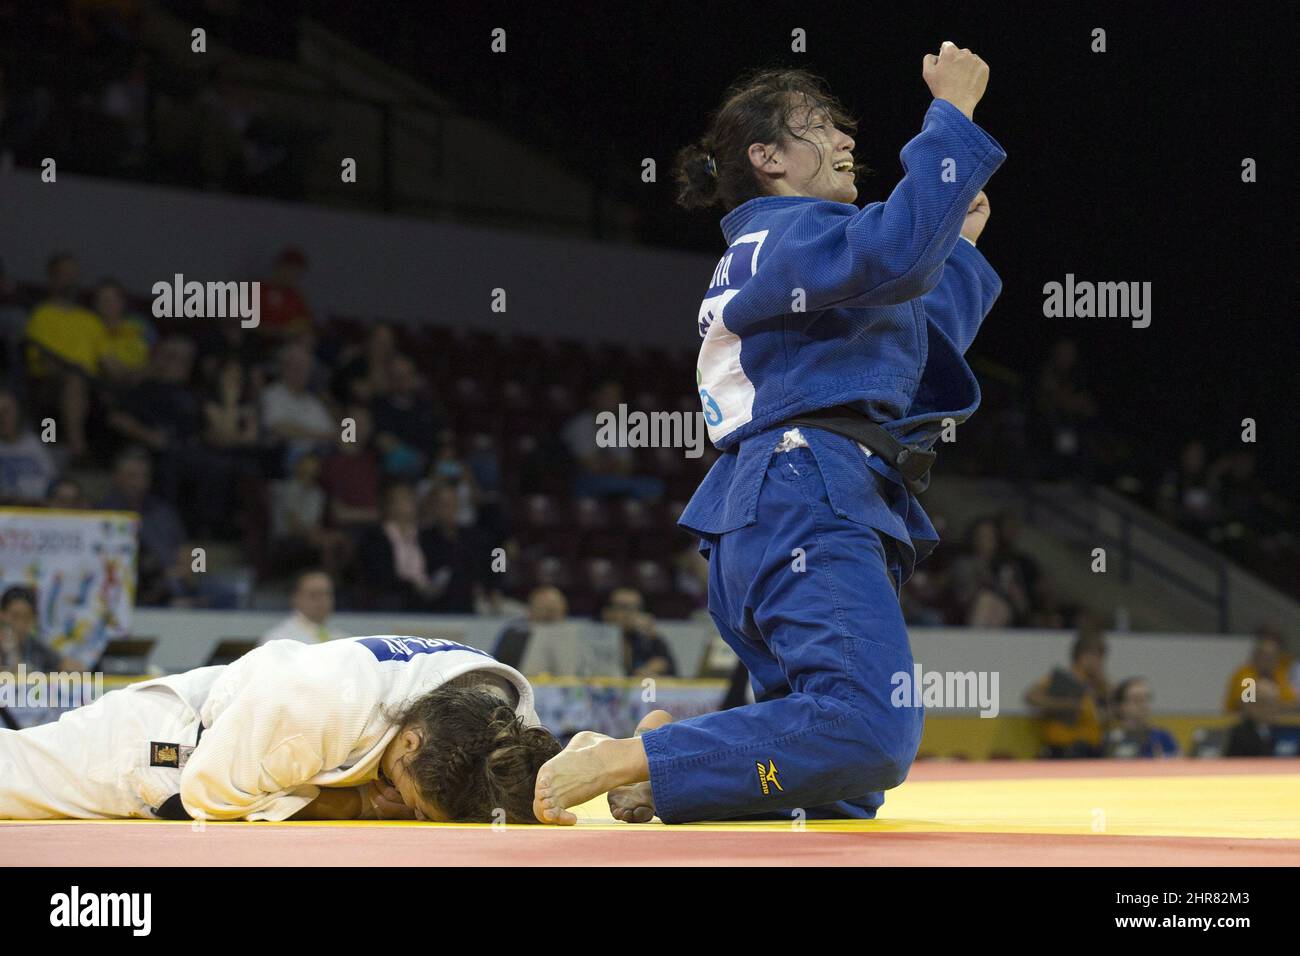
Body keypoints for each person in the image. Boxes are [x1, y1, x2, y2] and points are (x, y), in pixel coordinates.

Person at [532, 45, 1004, 824]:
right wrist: (951, 118)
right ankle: (627, 756)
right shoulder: (784, 237)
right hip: (804, 492)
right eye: (820, 128)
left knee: (840, 782)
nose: (848, 141)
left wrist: (958, 249)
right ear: (768, 158)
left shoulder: (794, 255)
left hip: (781, 500)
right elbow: (897, 254)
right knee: (865, 726)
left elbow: (905, 351)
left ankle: (660, 770)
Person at [0, 635, 559, 821]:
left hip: (249, 716)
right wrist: (358, 803)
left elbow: (524, 769)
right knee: (14, 776)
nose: (409, 811)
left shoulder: (492, 699)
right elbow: (204, 795)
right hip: (162, 746)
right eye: (413, 799)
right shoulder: (312, 710)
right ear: (409, 739)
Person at [1024, 630, 1111, 758]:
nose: (1097, 661)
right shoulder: (1065, 679)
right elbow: (1030, 697)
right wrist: (1065, 704)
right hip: (1063, 750)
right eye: (1092, 655)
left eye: (1100, 656)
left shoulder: (1100, 684)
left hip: (1093, 750)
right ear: (1079, 656)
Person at [602, 588, 678, 677]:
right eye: (623, 607)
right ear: (607, 612)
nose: (630, 614)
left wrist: (652, 636)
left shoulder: (645, 639)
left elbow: (670, 670)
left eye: (636, 608)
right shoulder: (595, 640)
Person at [0, 389, 57, 504]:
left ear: (18, 412)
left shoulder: (34, 443)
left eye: (6, 411)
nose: (2, 417)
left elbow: (53, 480)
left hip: (39, 510)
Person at [261, 570, 347, 645]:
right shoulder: (277, 640)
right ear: (295, 598)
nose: (322, 600)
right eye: (313, 595)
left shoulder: (342, 638)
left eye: (327, 594)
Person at [1224, 626, 1296, 713]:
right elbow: (1249, 706)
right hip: (1243, 725)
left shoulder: (1279, 674)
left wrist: (1277, 706)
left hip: (1278, 725)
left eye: (1273, 657)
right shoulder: (1246, 676)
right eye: (1265, 656)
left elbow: (1294, 701)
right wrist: (1282, 707)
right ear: (1255, 656)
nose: (1269, 661)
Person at [1104, 677, 1179, 758]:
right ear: (1121, 706)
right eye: (1136, 700)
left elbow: (1179, 761)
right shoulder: (1113, 740)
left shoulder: (1163, 737)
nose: (1144, 705)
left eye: (1147, 699)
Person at [0, 586, 59, 673]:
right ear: (2, 615)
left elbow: (67, 666)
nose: (20, 624)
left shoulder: (38, 649)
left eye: (26, 617)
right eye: (14, 616)